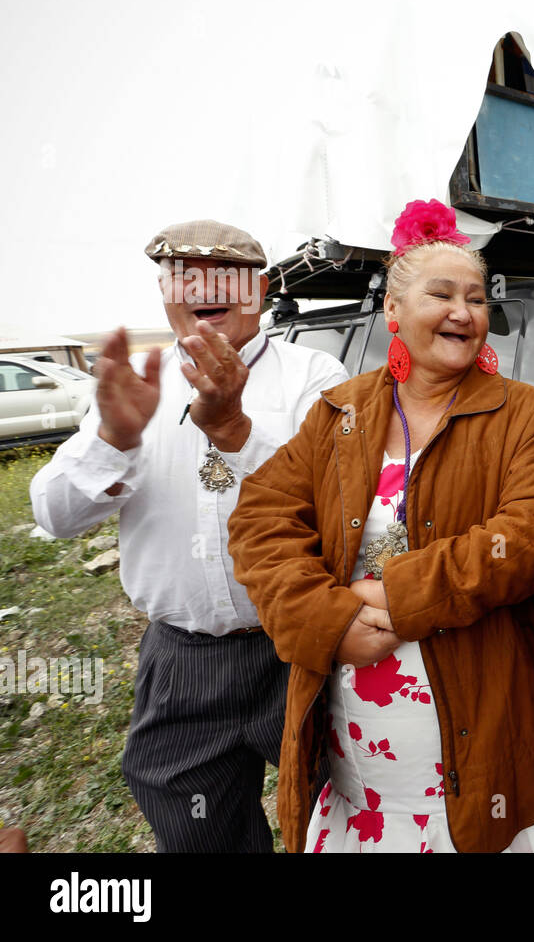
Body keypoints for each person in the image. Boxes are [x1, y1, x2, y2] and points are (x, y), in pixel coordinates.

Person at [227, 198, 534, 853]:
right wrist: (324, 618)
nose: (463, 311)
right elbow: (260, 520)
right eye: (442, 294)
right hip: (358, 766)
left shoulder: (524, 413)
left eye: (478, 299)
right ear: (393, 311)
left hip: (491, 754)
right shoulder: (340, 413)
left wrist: (394, 594)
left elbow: (532, 532)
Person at [30, 220, 349, 851]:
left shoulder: (316, 373)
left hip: (300, 648)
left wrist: (233, 429)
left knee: (335, 816)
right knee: (201, 833)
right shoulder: (134, 390)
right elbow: (53, 515)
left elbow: (336, 498)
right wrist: (113, 441)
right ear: (166, 290)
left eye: (224, 275)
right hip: (183, 661)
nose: (205, 288)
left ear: (257, 288)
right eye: (185, 275)